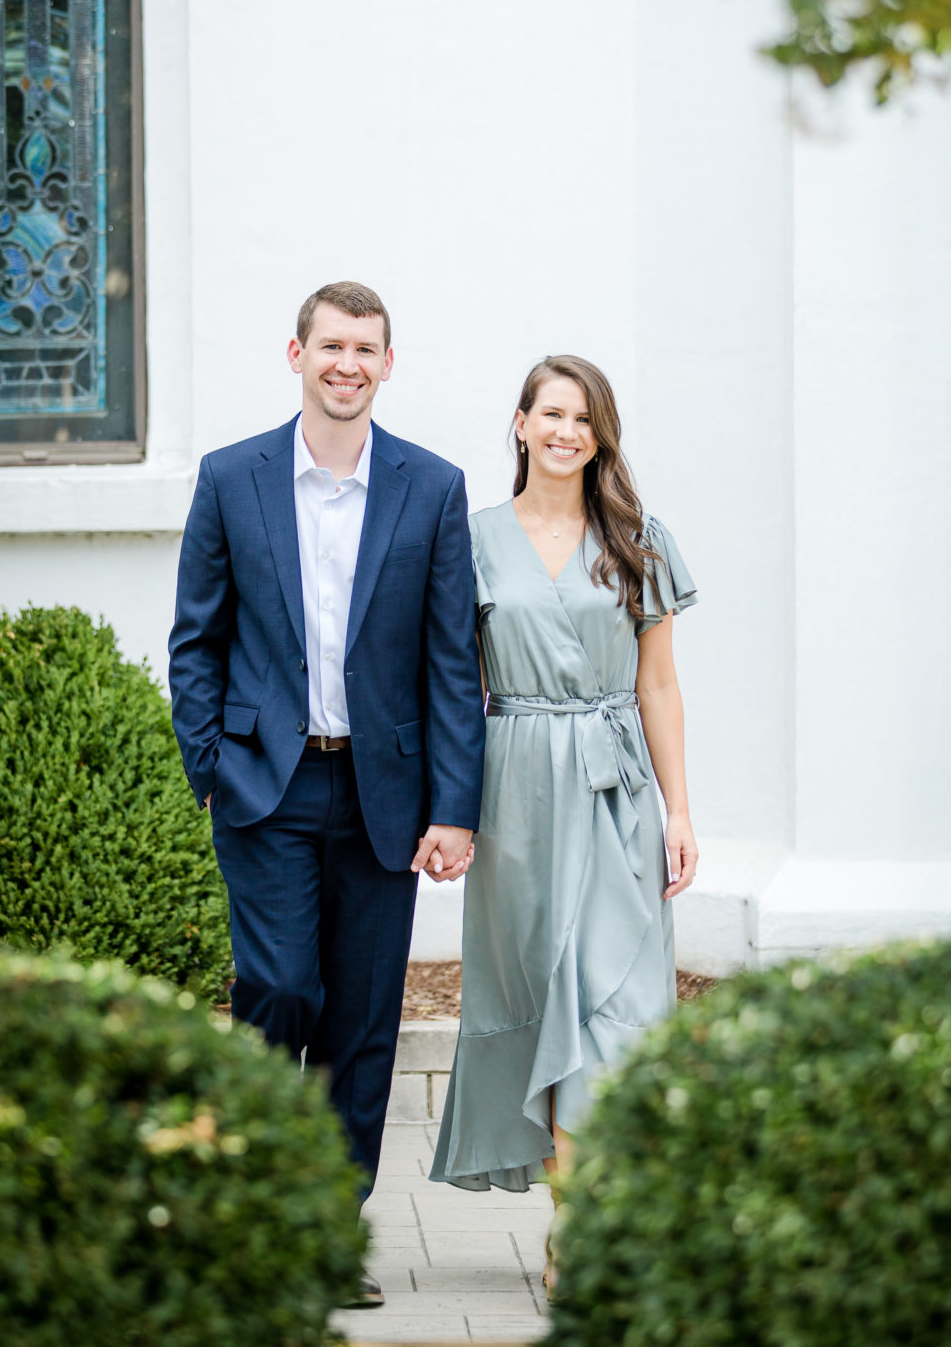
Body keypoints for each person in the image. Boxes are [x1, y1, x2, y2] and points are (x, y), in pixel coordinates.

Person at [168, 282, 485, 1307]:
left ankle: (324, 1234)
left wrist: (453, 807)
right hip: (265, 784)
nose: (346, 364)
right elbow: (196, 639)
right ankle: (258, 1209)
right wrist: (209, 762)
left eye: (366, 348)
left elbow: (449, 661)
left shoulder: (431, 487)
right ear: (295, 352)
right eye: (330, 346)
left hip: (383, 796)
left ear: (387, 364)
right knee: (277, 990)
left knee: (360, 1020)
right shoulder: (231, 477)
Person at [430, 354, 698, 1288]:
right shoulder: (465, 541)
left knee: (613, 1001)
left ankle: (587, 1227)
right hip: (514, 795)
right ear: (518, 423)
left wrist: (679, 812)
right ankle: (566, 1217)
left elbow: (658, 684)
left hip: (616, 788)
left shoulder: (639, 539)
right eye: (550, 414)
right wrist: (449, 813)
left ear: (600, 434)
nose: (565, 432)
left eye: (583, 419)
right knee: (542, 996)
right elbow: (454, 693)